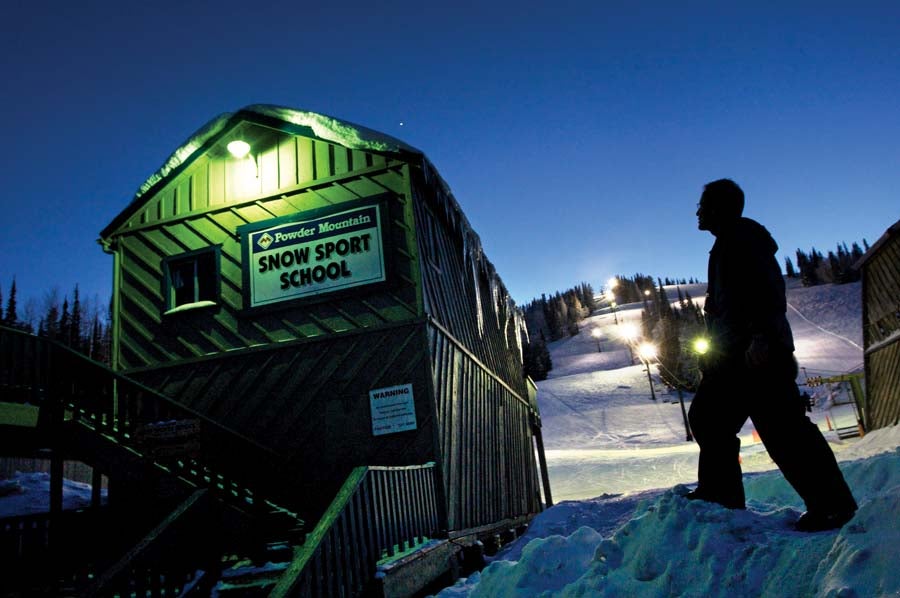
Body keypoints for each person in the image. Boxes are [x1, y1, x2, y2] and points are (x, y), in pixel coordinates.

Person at [688, 178, 857, 532]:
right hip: (732, 359)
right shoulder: (725, 245)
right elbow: (723, 310)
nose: (698, 211)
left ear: (720, 207)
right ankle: (721, 498)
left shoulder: (744, 240)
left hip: (757, 358)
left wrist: (763, 339)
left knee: (785, 431)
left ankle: (833, 506)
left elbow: (766, 293)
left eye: (704, 204)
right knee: (709, 419)